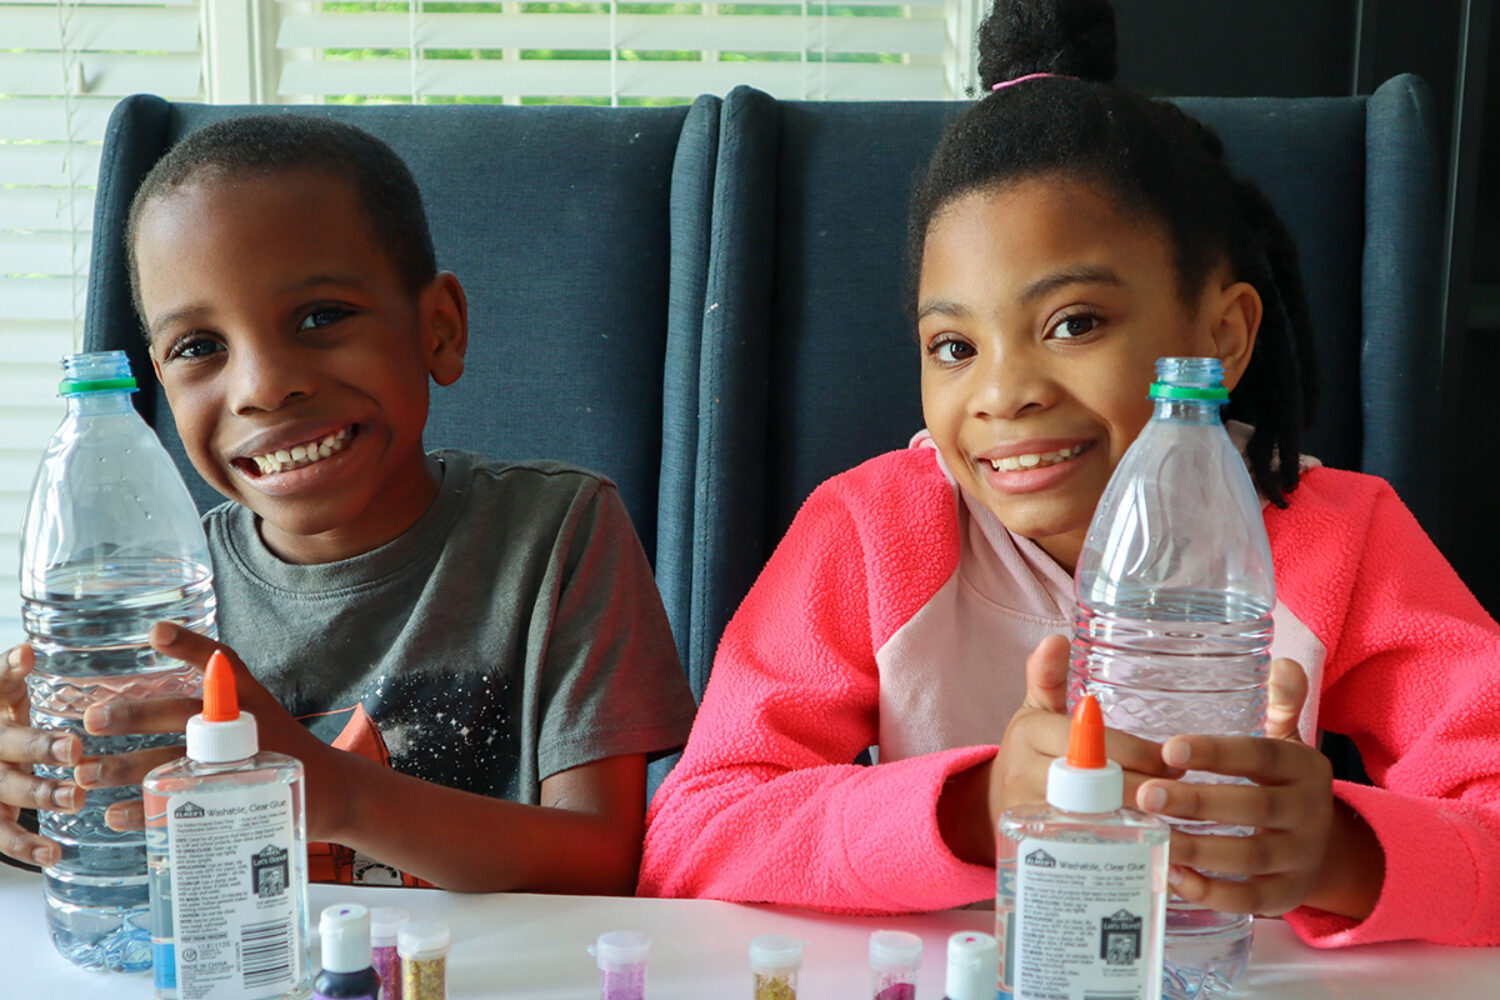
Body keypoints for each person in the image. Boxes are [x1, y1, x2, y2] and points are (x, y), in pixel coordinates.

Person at [639, 0, 1500, 947]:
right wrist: (977, 810)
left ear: (1222, 335)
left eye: (1074, 323)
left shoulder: (1336, 535)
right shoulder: (872, 530)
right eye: (954, 346)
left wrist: (1336, 852)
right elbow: (691, 839)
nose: (1003, 393)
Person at [0, 114, 697, 892]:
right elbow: (104, 859)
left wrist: (334, 794)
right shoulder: (165, 613)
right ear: (160, 382)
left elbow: (603, 862)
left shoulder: (556, 535)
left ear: (439, 329)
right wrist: (26, 797)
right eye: (200, 347)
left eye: (320, 317)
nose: (264, 386)